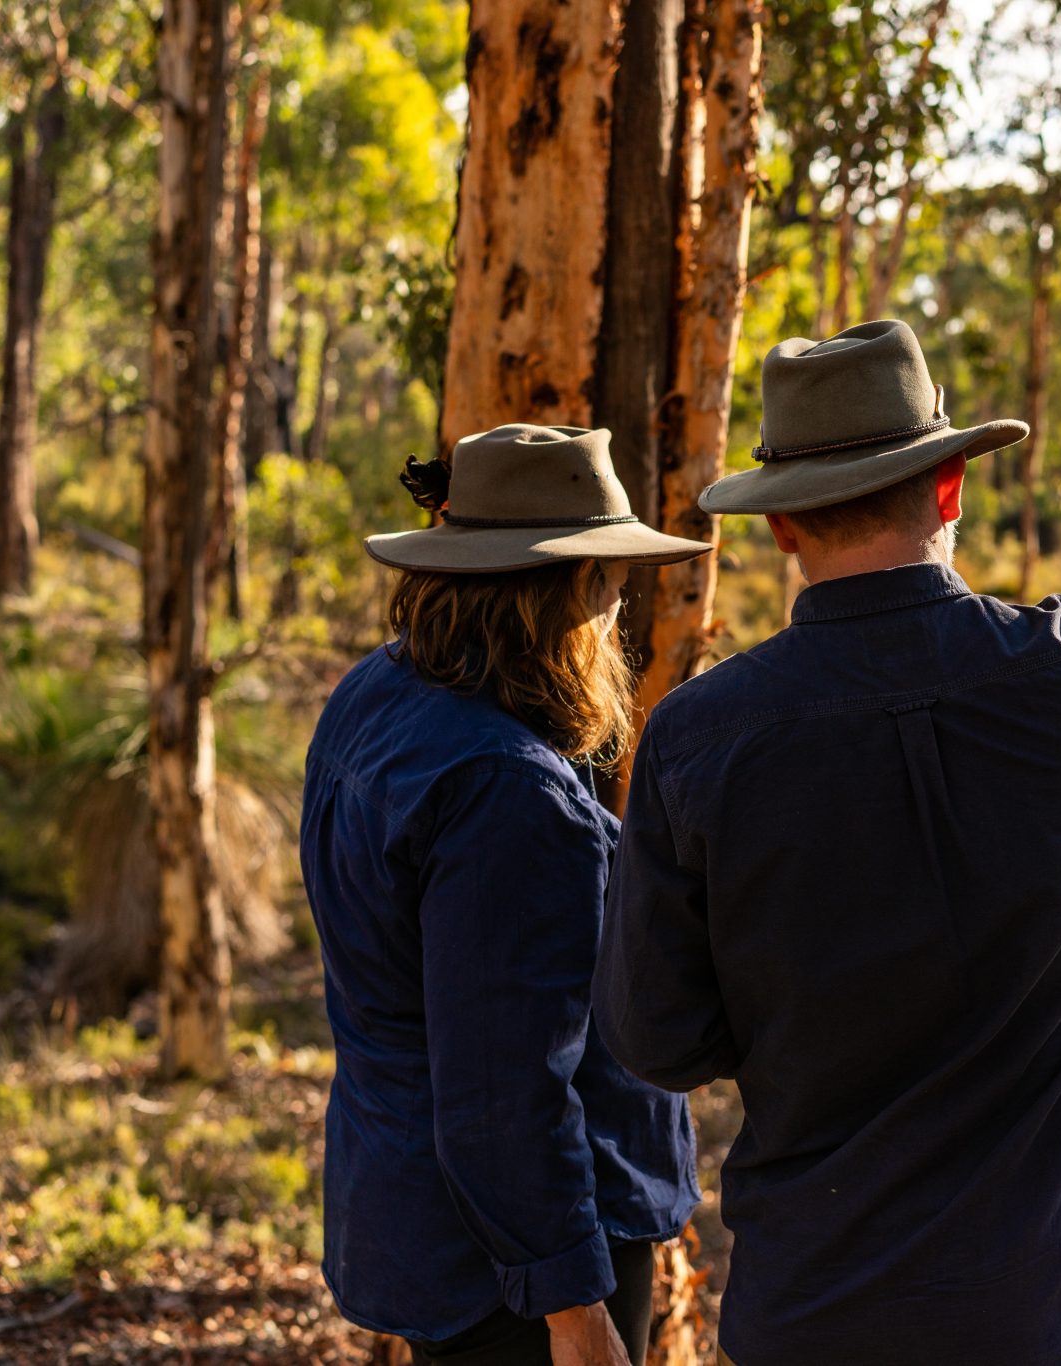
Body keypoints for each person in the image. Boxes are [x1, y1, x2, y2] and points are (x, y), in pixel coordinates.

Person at [598, 320, 1061, 1366]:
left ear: (783, 527)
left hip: (818, 1305)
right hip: (1047, 1304)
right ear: (950, 490)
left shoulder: (698, 737)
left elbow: (656, 1039)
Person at [300, 424, 710, 1366]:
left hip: (423, 1216)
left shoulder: (376, 692)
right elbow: (503, 1095)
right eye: (610, 583)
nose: (619, 611)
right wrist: (575, 1312)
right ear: (561, 594)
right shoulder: (507, 792)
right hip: (521, 1267)